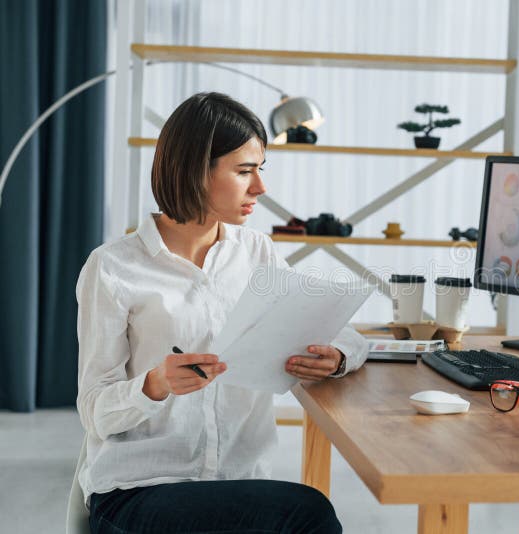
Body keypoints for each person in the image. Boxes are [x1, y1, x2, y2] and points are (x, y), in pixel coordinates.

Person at [76, 92, 367, 533]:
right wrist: (154, 384)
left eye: (260, 170)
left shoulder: (257, 255)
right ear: (195, 170)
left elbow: (346, 332)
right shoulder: (113, 266)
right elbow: (94, 410)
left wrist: (338, 356)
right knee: (306, 515)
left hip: (235, 484)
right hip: (139, 490)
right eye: (244, 171)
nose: (261, 188)